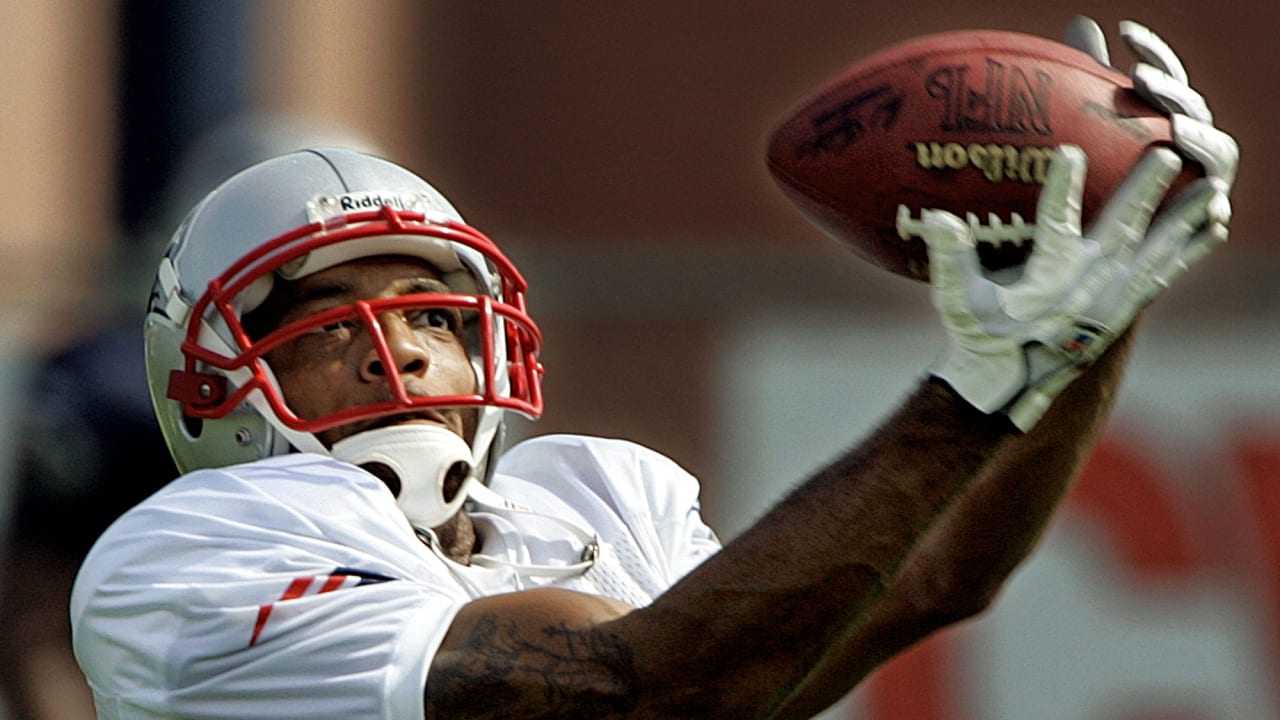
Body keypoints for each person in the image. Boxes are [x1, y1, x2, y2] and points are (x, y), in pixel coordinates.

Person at [69, 18, 1236, 720]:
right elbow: (636, 690)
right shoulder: (189, 556)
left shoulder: (591, 498)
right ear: (205, 381)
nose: (403, 346)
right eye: (328, 321)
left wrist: (1090, 305)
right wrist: (976, 393)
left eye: (429, 311)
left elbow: (928, 581)